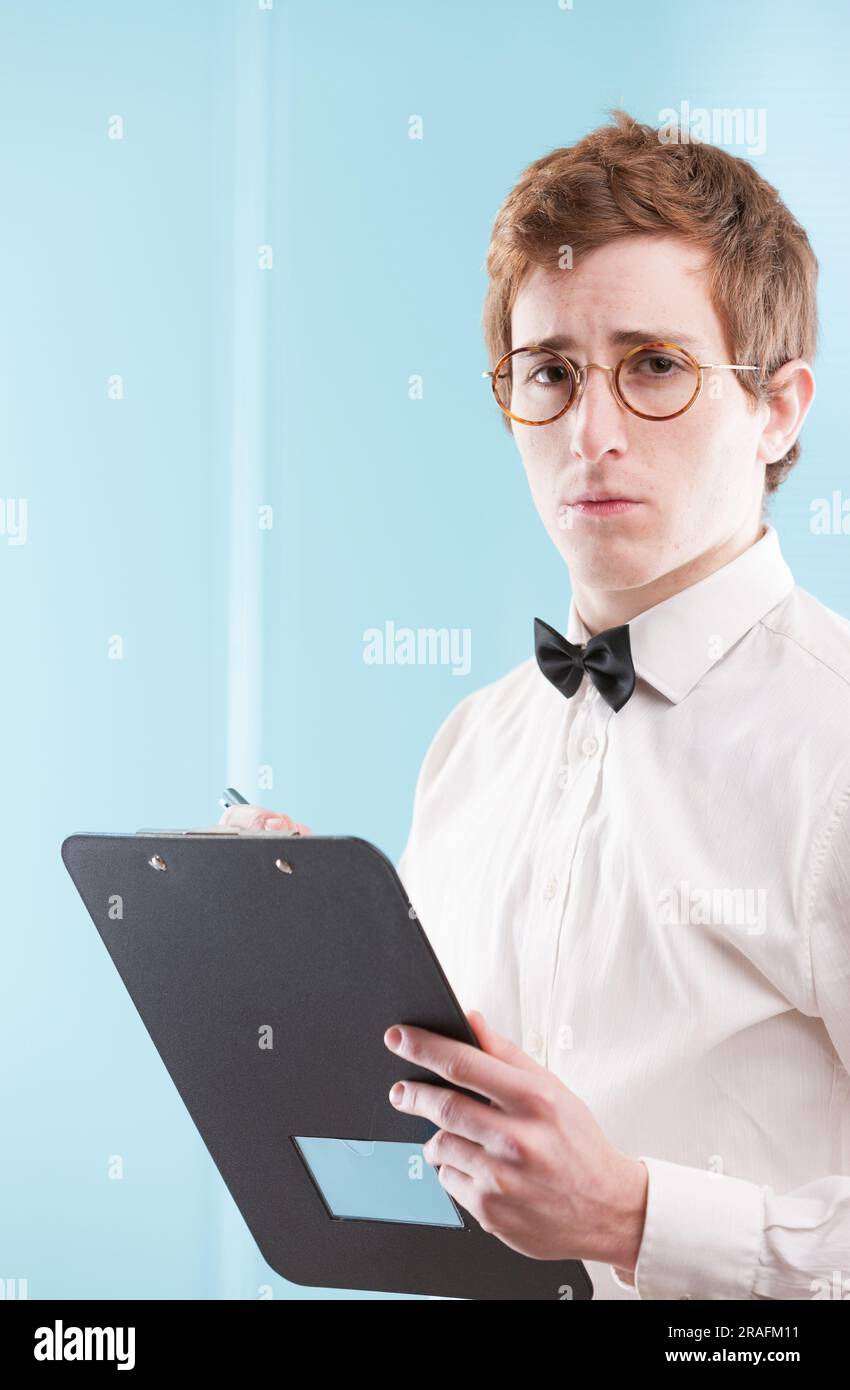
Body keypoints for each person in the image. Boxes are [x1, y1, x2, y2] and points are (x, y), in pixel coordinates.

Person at [222, 110, 850, 1301]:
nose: (591, 433)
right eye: (549, 373)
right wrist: (321, 970)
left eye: (654, 365)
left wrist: (629, 1214)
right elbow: (446, 1146)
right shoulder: (470, 744)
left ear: (776, 407)